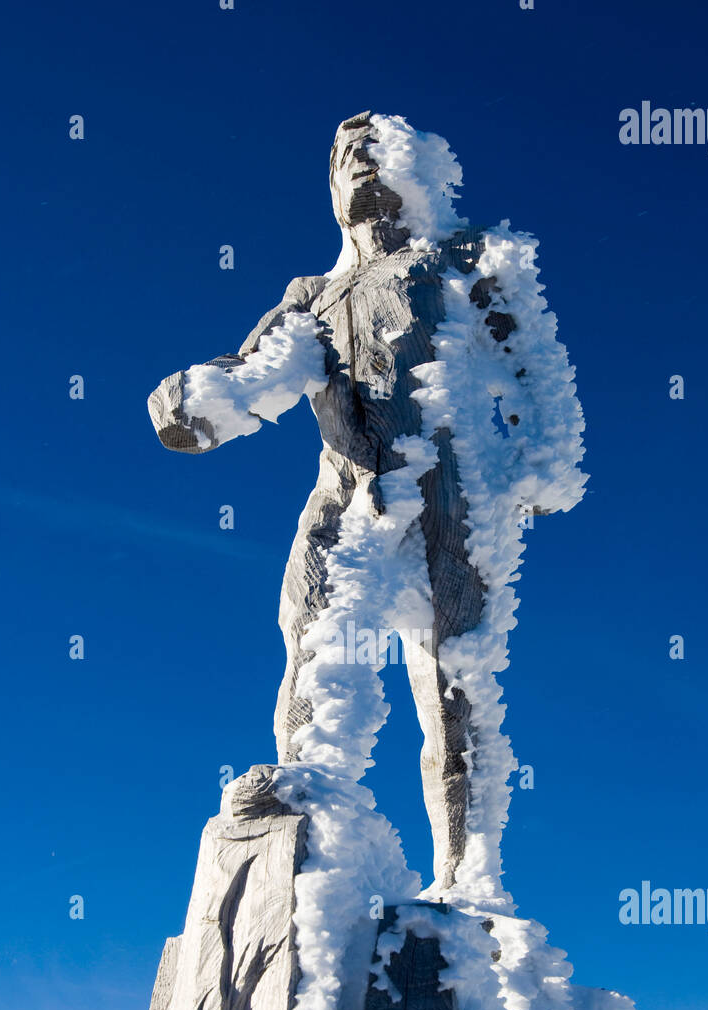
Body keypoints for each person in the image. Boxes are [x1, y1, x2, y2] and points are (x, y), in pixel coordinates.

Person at [148, 111, 586, 904]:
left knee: (451, 679)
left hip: (452, 489)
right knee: (315, 632)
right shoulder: (310, 296)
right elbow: (257, 375)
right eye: (344, 151)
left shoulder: (464, 257)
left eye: (376, 147)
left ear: (417, 168)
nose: (359, 161)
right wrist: (193, 403)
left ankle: (467, 870)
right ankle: (309, 798)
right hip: (348, 488)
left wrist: (541, 460)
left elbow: (535, 369)